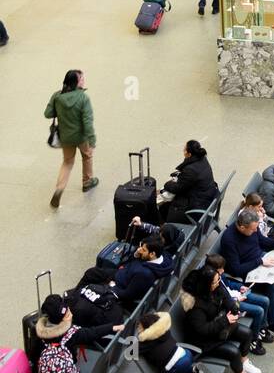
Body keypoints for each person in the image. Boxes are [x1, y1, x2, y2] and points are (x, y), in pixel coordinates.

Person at [32, 294, 124, 373]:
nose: (70, 314)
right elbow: (93, 332)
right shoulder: (72, 333)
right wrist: (112, 327)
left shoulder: (40, 334)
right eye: (67, 315)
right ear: (61, 320)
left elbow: (34, 357)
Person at [180, 266, 263, 373]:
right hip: (204, 341)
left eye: (218, 279)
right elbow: (202, 330)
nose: (218, 283)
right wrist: (225, 320)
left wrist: (234, 309)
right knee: (233, 352)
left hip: (221, 326)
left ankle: (244, 361)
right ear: (206, 284)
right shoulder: (195, 306)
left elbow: (226, 298)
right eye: (215, 281)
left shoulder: (216, 287)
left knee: (247, 333)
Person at [219, 208, 274, 338]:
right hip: (248, 272)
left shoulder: (252, 226)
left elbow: (262, 241)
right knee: (270, 284)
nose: (255, 231)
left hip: (261, 259)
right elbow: (236, 269)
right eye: (253, 230)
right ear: (242, 227)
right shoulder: (228, 240)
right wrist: (259, 261)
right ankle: (273, 323)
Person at [44, 69, 98, 208]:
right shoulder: (83, 98)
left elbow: (48, 113)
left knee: (67, 163)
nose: (83, 80)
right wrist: (91, 139)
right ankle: (87, 182)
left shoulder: (57, 96)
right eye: (81, 79)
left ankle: (59, 188)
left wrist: (58, 107)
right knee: (87, 156)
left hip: (66, 137)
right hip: (81, 137)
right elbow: (87, 122)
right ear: (76, 82)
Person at [205, 254, 269, 352]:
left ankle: (261, 329)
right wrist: (236, 299)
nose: (223, 271)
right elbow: (221, 302)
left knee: (265, 301)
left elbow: (228, 284)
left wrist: (240, 287)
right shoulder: (211, 283)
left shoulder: (219, 275)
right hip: (232, 303)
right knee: (259, 311)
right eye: (220, 268)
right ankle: (253, 340)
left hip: (237, 295)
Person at [136, 310, 208, 373]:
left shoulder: (147, 343)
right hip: (186, 353)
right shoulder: (164, 330)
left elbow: (131, 352)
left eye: (140, 327)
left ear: (147, 329)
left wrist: (136, 340)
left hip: (176, 365)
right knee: (180, 370)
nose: (138, 329)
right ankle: (194, 369)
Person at [110, 234, 176, 309]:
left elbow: (127, 294)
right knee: (95, 272)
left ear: (152, 254)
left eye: (144, 250)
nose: (140, 249)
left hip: (118, 283)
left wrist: (113, 287)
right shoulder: (162, 255)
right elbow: (130, 262)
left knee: (95, 274)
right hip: (123, 272)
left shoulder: (144, 274)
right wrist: (136, 254)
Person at [159, 140, 218, 222]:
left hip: (197, 207)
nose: (183, 151)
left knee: (163, 207)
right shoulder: (202, 159)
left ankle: (163, 230)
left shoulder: (190, 170)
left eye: (184, 150)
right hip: (207, 197)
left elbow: (178, 188)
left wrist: (167, 184)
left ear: (189, 154)